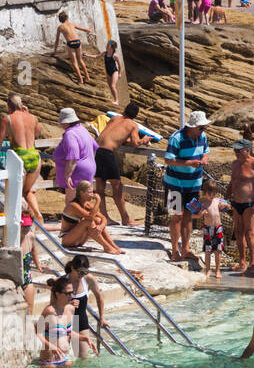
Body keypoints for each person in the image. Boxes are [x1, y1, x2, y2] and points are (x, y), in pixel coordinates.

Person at [94, 103, 153, 226]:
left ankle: (104, 216)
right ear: (136, 116)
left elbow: (114, 136)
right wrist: (145, 140)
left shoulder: (114, 118)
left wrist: (125, 141)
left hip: (96, 150)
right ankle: (126, 219)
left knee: (100, 186)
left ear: (124, 110)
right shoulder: (133, 125)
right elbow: (135, 143)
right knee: (117, 187)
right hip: (107, 153)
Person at [163, 111, 209, 263]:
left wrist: (204, 159)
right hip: (175, 184)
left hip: (194, 185)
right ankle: (175, 250)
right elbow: (169, 160)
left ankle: (186, 249)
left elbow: (206, 152)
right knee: (177, 216)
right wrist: (189, 163)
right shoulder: (176, 138)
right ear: (193, 127)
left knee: (189, 216)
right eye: (201, 127)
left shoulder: (202, 136)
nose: (203, 130)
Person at [0, 95, 45, 222]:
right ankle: (38, 214)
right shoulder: (33, 118)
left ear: (8, 106)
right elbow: (38, 133)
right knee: (28, 190)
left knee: (17, 192)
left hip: (19, 157)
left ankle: (19, 221)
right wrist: (28, 113)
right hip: (35, 156)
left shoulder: (7, 119)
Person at [228, 139, 254, 276]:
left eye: (239, 150)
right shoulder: (234, 164)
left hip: (249, 204)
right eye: (235, 150)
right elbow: (232, 182)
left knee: (249, 233)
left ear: (247, 150)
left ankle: (252, 263)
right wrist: (225, 197)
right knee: (238, 232)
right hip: (236, 202)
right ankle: (242, 261)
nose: (236, 152)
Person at [60, 182, 123, 256]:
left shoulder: (87, 204)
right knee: (88, 222)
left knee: (98, 220)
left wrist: (101, 226)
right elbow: (90, 217)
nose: (93, 195)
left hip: (79, 240)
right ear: (81, 193)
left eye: (93, 192)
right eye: (90, 192)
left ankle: (113, 245)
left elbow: (103, 218)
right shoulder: (73, 205)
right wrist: (98, 201)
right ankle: (106, 247)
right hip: (67, 240)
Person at [53, 108, 98, 196]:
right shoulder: (82, 129)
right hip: (88, 169)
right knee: (83, 199)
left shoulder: (70, 134)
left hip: (77, 172)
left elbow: (73, 157)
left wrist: (67, 175)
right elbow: (95, 146)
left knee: (72, 201)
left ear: (66, 122)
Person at [36, 275, 77, 367]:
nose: (71, 296)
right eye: (68, 293)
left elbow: (69, 333)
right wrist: (51, 346)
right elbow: (38, 334)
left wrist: (85, 338)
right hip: (49, 360)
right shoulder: (49, 311)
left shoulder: (71, 309)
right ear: (58, 294)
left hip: (65, 357)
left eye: (72, 292)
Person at [52, 11, 96, 85]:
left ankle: (80, 80)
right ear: (67, 18)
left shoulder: (60, 27)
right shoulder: (72, 24)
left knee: (75, 62)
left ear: (60, 19)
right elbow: (83, 29)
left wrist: (54, 51)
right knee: (80, 60)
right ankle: (87, 77)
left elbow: (57, 40)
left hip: (71, 43)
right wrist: (90, 30)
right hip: (78, 42)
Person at [199, 181, 227, 281]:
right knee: (207, 251)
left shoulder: (217, 200)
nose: (212, 196)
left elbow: (228, 205)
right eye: (210, 194)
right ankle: (208, 270)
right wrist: (201, 213)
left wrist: (225, 205)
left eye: (214, 193)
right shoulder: (202, 202)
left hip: (218, 228)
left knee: (218, 251)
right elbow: (192, 214)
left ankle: (218, 270)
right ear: (204, 192)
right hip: (207, 228)